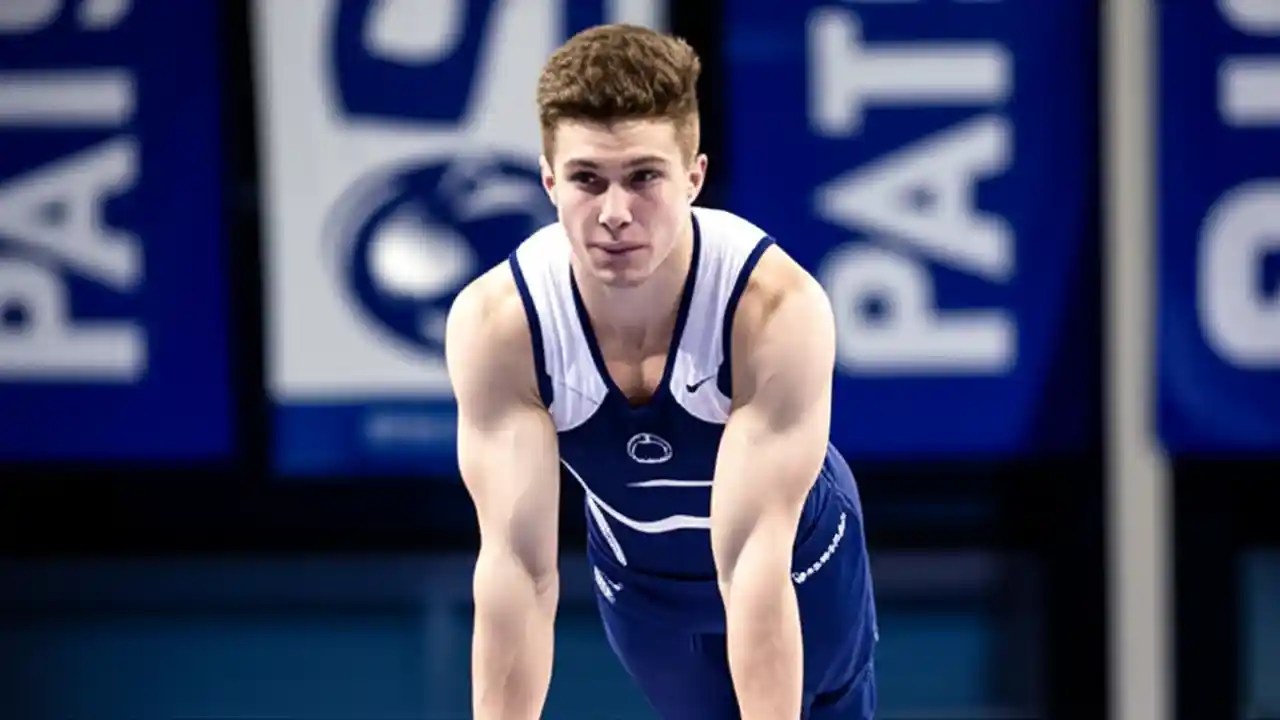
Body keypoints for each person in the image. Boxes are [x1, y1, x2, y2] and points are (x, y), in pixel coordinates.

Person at [445, 23, 878, 720]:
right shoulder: (502, 324)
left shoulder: (772, 310)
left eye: (644, 176)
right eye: (587, 179)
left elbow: (752, 567)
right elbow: (519, 574)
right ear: (549, 181)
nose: (615, 214)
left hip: (798, 562)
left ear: (694, 178)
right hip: (643, 587)